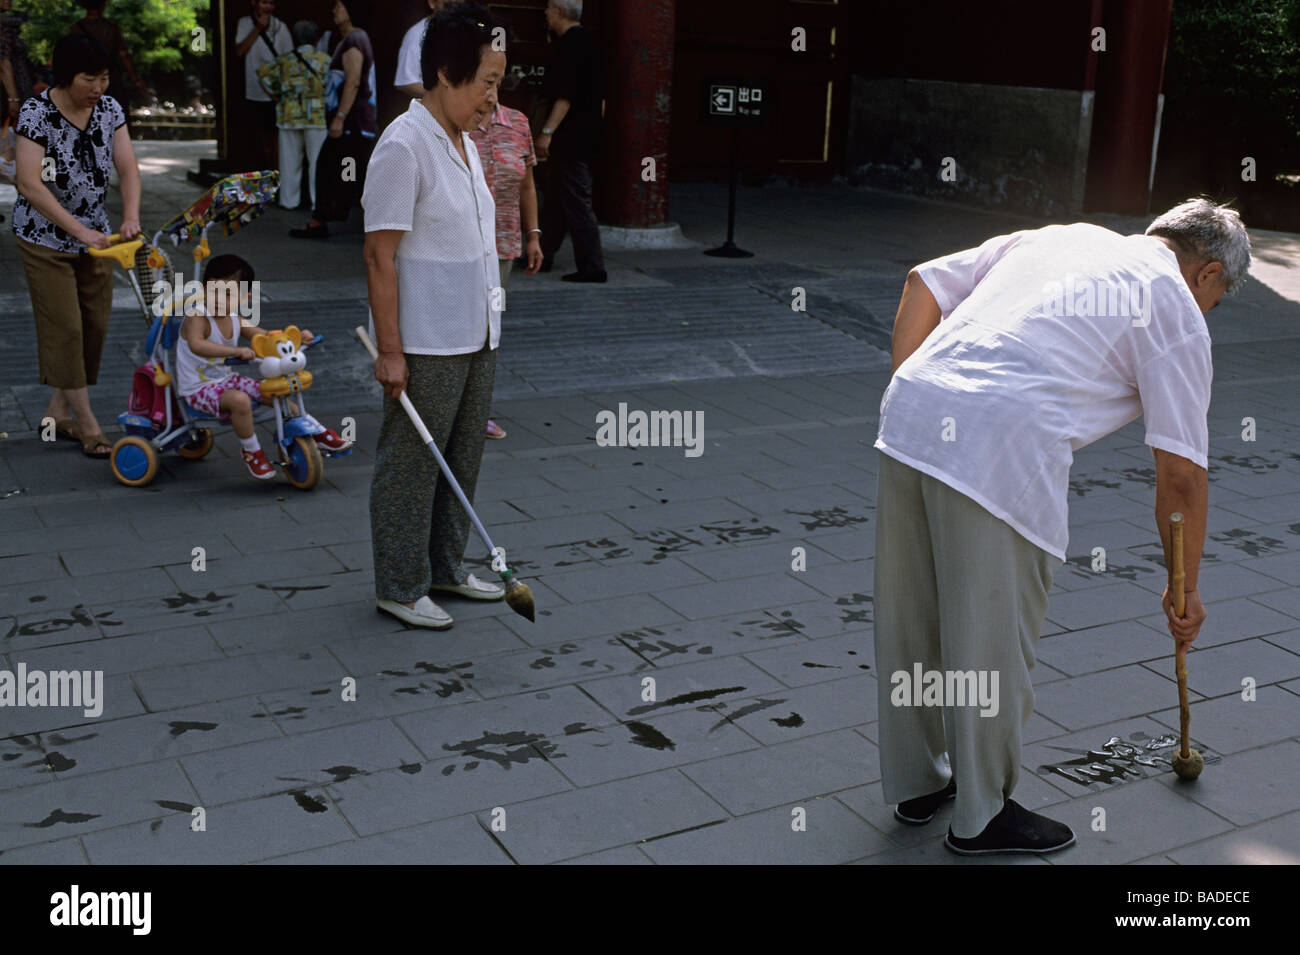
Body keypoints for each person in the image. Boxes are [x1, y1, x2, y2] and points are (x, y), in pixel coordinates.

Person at [872, 198, 1249, 855]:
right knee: (988, 638)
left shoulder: (1060, 237)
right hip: (998, 444)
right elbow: (1181, 475)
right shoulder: (1174, 305)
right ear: (1209, 273)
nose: (1210, 310)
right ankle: (982, 816)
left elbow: (921, 281)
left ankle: (918, 782)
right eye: (1220, 296)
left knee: (916, 617)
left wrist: (920, 394)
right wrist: (1183, 586)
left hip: (912, 411)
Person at [362, 2, 507, 629]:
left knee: (462, 454)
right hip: (426, 337)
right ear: (446, 74)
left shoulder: (465, 142)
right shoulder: (403, 144)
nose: (493, 101)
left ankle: (445, 567)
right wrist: (392, 351)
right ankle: (399, 582)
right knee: (413, 462)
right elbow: (378, 253)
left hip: (475, 328)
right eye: (487, 83)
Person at [12, 34, 141, 458]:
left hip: (98, 238)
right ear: (67, 75)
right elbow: (29, 183)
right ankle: (88, 425)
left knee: (94, 327)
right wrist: (77, 230)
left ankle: (57, 413)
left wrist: (131, 217)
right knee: (66, 329)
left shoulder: (109, 109)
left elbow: (127, 167)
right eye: (90, 78)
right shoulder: (36, 112)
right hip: (43, 237)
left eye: (104, 78)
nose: (98, 88)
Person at [175, 254, 349, 479]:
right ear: (202, 288)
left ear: (244, 298)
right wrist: (235, 351)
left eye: (228, 294)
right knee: (240, 400)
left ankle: (318, 432)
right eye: (213, 291)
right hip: (197, 388)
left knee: (277, 390)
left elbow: (267, 336)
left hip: (225, 382)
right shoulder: (197, 317)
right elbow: (197, 344)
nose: (218, 299)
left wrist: (294, 339)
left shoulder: (235, 318)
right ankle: (251, 451)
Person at [469, 99, 543, 440]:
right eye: (484, 79)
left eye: (495, 80)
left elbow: (526, 185)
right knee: (457, 327)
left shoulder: (517, 121)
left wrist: (533, 236)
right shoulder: (455, 120)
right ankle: (447, 407)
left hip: (502, 248)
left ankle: (477, 410)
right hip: (457, 247)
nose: (489, 89)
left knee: (489, 328)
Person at [290, 0, 377, 239]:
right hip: (353, 122)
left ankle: (323, 220)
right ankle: (324, 219)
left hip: (352, 123)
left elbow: (353, 81)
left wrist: (339, 117)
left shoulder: (354, 40)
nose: (334, 11)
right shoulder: (350, 39)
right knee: (339, 169)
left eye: (339, 6)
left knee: (334, 168)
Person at [536, 0, 605, 283]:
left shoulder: (568, 46)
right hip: (586, 134)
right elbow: (601, 99)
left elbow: (565, 95)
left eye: (549, 8)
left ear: (561, 12)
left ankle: (593, 266)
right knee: (556, 196)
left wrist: (546, 132)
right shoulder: (593, 43)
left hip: (569, 136)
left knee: (576, 200)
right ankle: (544, 254)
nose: (545, 13)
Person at [257, 20, 331, 210]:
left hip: (289, 115)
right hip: (317, 117)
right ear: (316, 38)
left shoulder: (285, 60)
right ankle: (318, 203)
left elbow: (262, 74)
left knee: (289, 162)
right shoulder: (325, 60)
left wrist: (276, 96)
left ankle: (289, 201)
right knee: (317, 163)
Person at [234, 0, 291, 169]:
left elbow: (289, 60)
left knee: (276, 140)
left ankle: (276, 178)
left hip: (275, 94)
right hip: (253, 90)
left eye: (272, 3)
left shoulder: (281, 27)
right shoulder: (244, 24)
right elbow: (239, 51)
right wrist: (258, 28)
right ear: (253, 3)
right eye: (264, 2)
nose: (268, 7)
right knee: (259, 140)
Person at [72, 0, 148, 111]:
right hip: (110, 77)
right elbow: (124, 55)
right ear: (102, 6)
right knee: (116, 111)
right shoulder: (110, 28)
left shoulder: (75, 29)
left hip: (84, 78)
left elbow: (71, 56)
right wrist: (134, 77)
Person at [394, 0, 446, 100]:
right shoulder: (417, 34)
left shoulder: (468, 33)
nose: (453, 8)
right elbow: (406, 81)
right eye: (447, 4)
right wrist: (441, 99)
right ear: (432, 3)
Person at [1, 0, 37, 121]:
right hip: (8, 94)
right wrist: (13, 98)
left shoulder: (5, 25)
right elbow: (3, 63)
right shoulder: (2, 28)